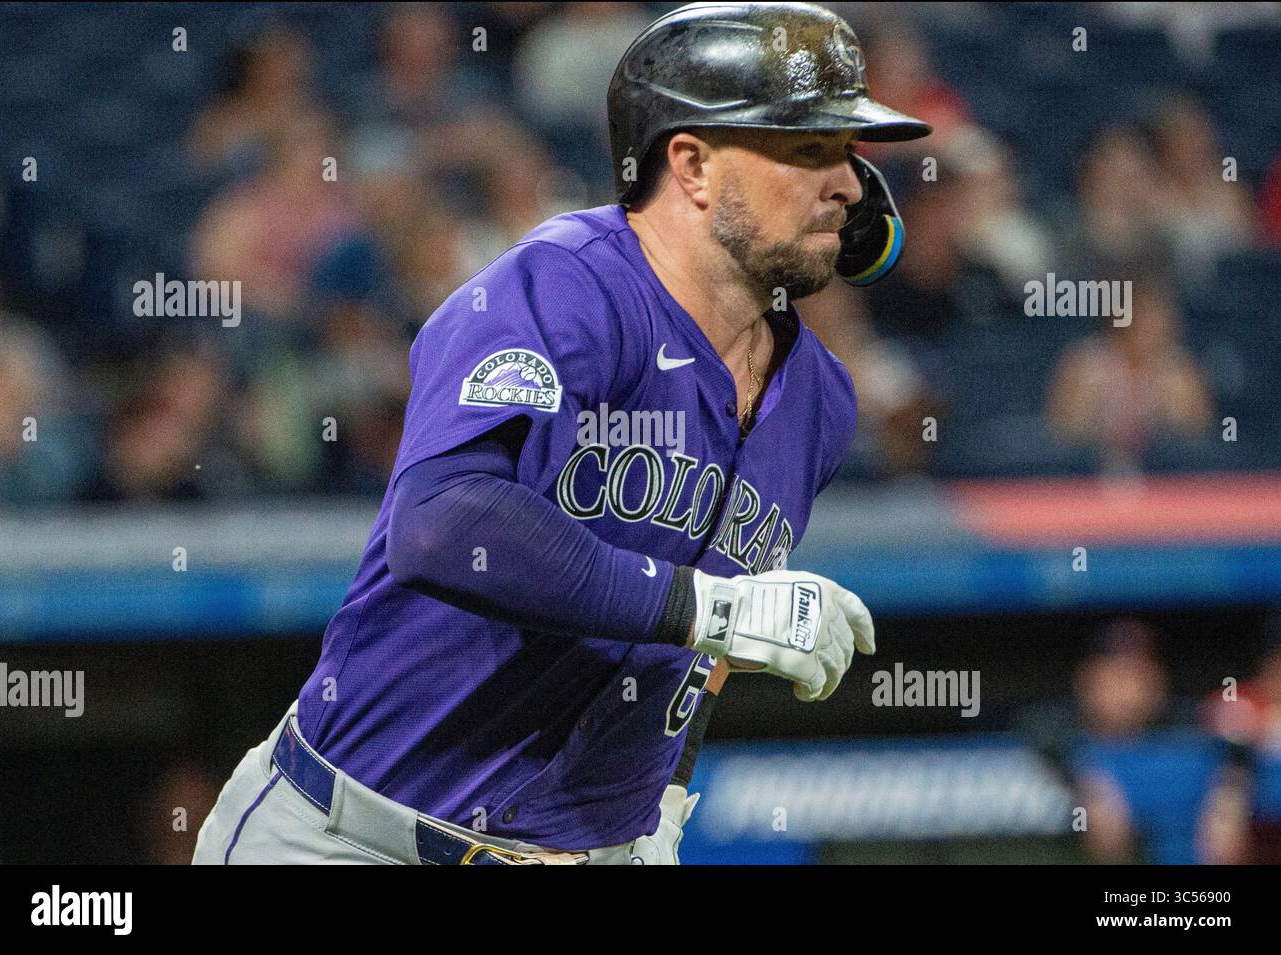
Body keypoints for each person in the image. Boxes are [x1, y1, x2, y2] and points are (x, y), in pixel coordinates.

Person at [194, 1, 927, 866]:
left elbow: (698, 661)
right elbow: (441, 523)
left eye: (846, 151)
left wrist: (666, 798)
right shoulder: (564, 287)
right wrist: (711, 608)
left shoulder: (819, 400)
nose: (848, 183)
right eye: (808, 150)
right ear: (691, 164)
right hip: (358, 834)